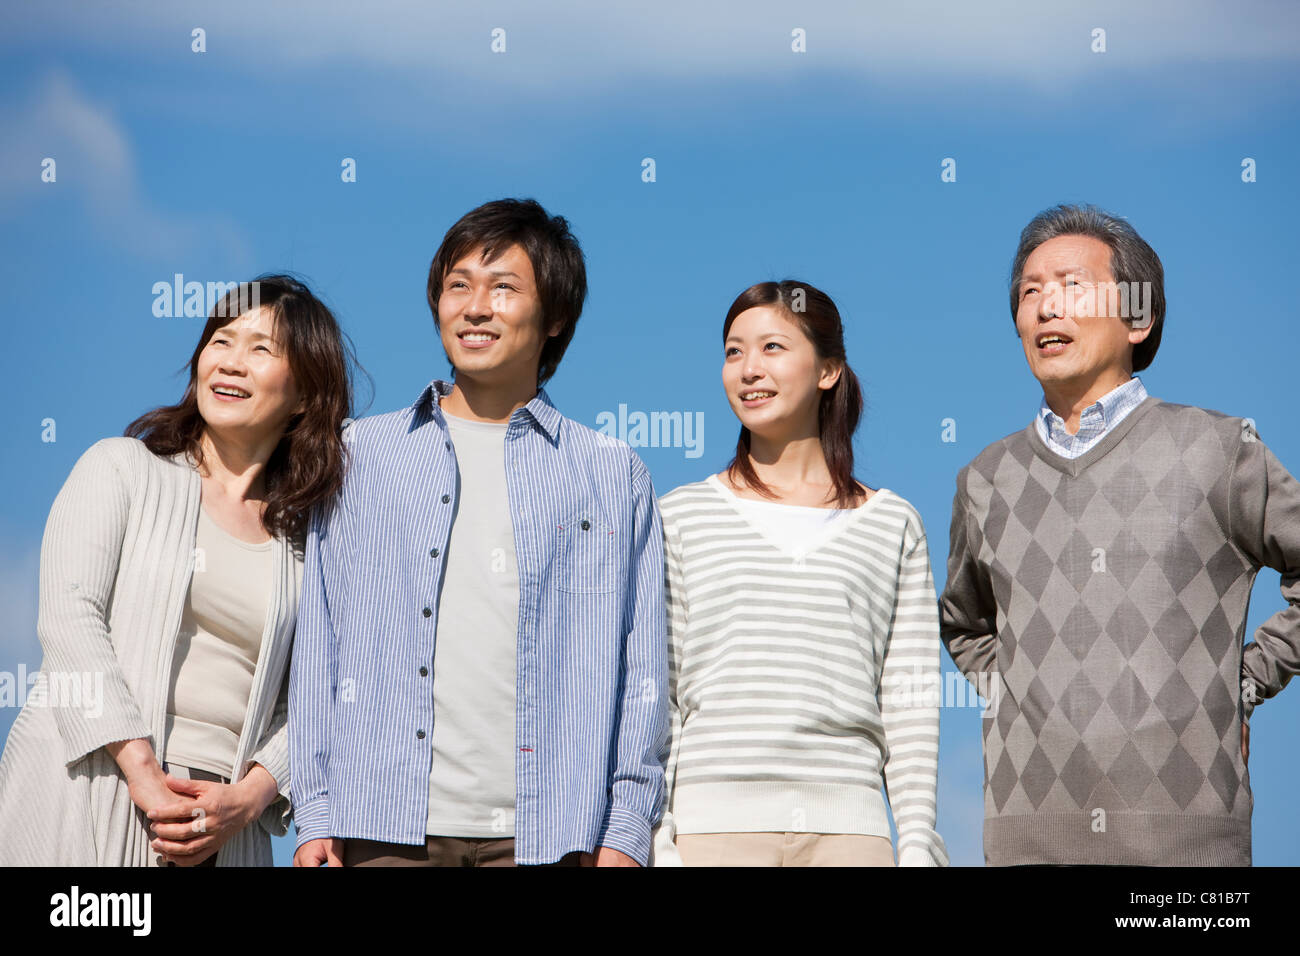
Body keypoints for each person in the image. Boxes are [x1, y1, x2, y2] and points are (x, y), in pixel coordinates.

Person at [289, 198, 667, 868]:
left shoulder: (611, 473)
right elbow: (320, 643)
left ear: (554, 318)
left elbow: (642, 669)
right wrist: (315, 809)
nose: (475, 306)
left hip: (551, 833)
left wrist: (627, 828)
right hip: (381, 825)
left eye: (504, 288)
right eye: (458, 285)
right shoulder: (361, 456)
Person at [940, 203, 1300, 866]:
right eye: (1030, 292)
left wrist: (1242, 683)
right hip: (1025, 844)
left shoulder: (1220, 449)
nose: (1047, 306)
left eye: (1072, 285)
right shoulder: (984, 479)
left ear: (1139, 316)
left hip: (1187, 852)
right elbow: (964, 626)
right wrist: (1024, 711)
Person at [0, 275, 360, 865]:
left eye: (261, 349)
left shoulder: (312, 543)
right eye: (220, 340)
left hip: (226, 826)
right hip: (93, 787)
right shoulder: (120, 470)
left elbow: (319, 694)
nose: (231, 363)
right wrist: (145, 776)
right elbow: (69, 619)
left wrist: (248, 799)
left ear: (304, 394)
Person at [651, 280, 949, 867]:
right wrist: (661, 841)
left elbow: (909, 703)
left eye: (772, 348)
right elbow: (662, 697)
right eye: (733, 351)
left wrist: (917, 846)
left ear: (828, 370)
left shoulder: (893, 523)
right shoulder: (679, 515)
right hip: (712, 835)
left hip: (853, 837)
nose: (748, 369)